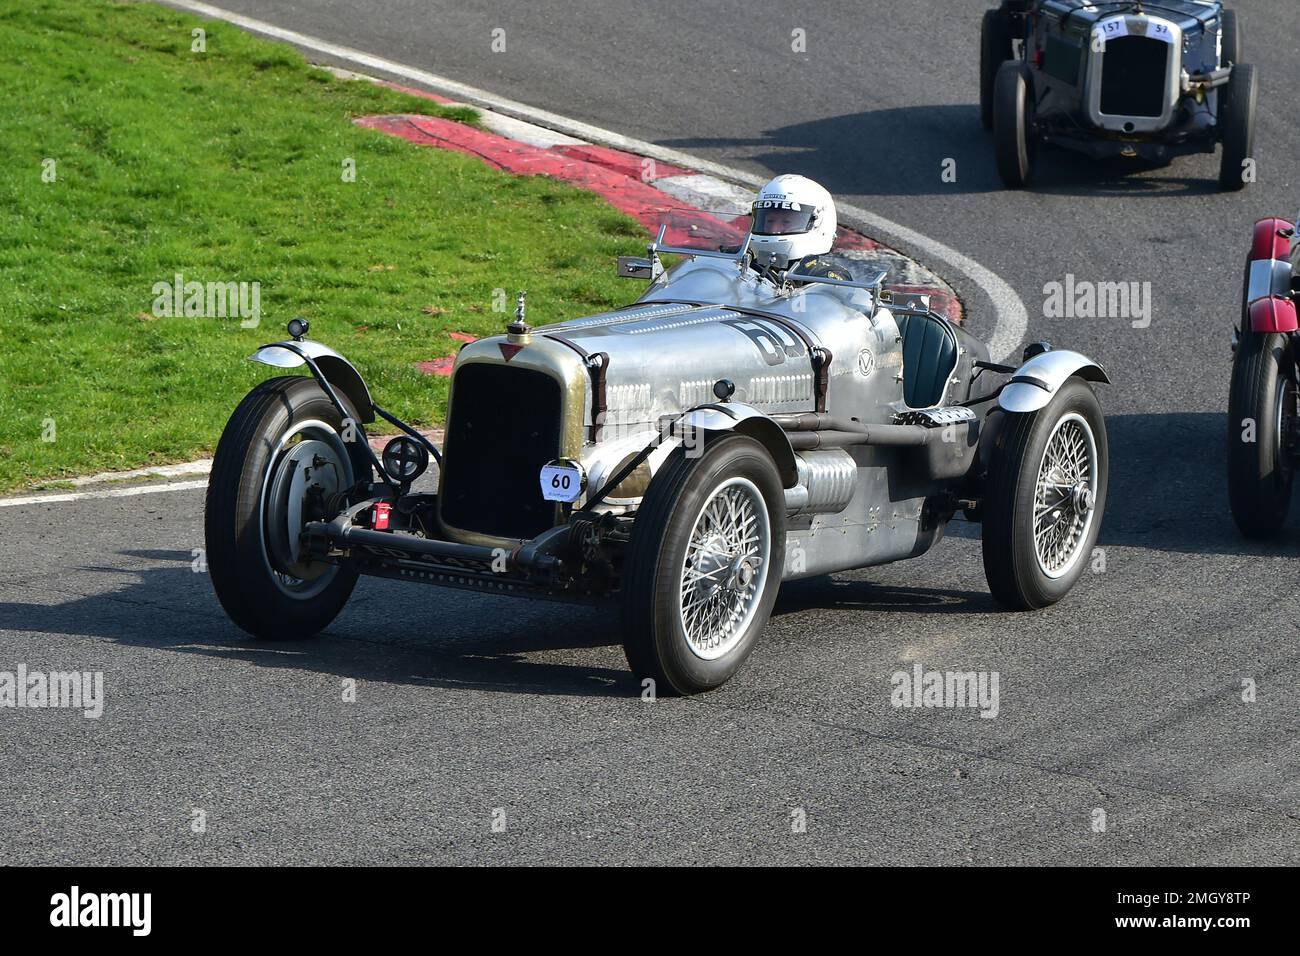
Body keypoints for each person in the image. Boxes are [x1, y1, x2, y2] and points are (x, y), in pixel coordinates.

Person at [747, 174, 853, 280]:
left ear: (817, 224)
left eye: (786, 222)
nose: (774, 230)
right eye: (769, 221)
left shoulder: (825, 275)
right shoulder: (743, 258)